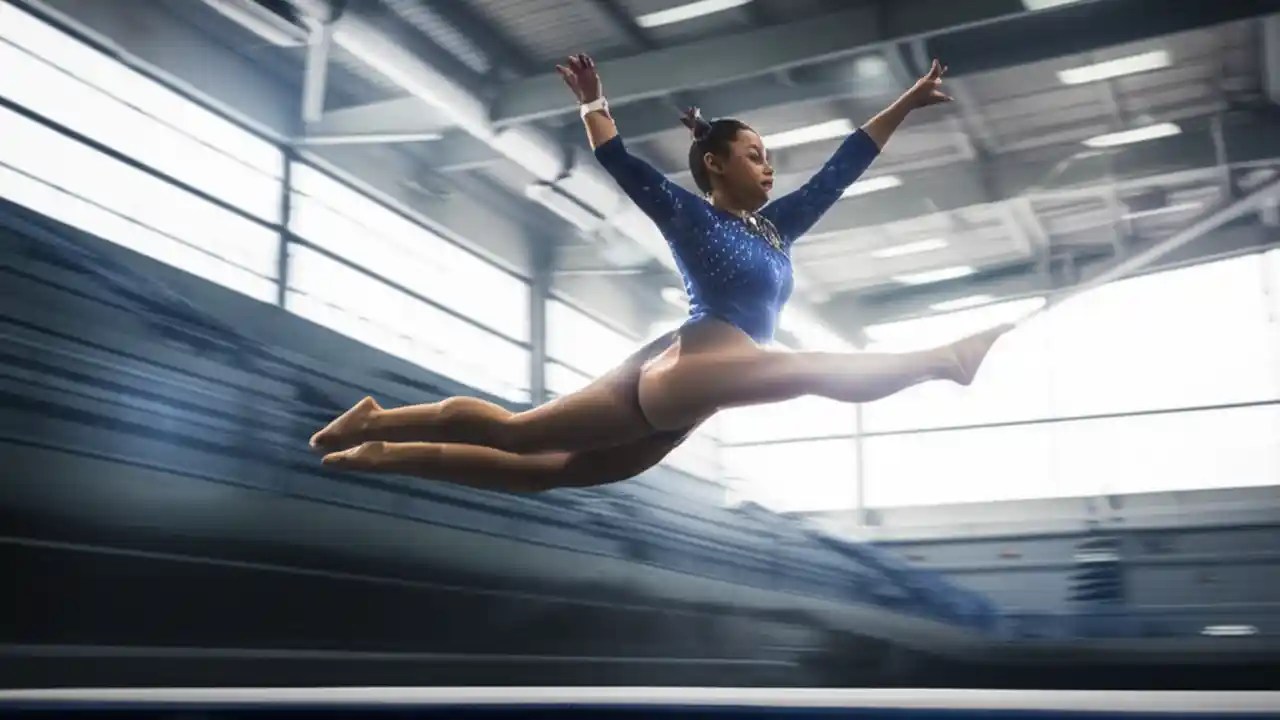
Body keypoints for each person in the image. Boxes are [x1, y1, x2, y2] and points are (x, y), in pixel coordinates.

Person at [311, 54, 1011, 492]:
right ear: (715, 164)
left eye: (769, 158)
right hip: (697, 366)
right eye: (755, 155)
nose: (769, 167)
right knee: (808, 372)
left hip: (685, 389)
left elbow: (842, 167)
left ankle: (381, 447)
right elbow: (618, 161)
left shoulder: (777, 228)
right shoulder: (690, 216)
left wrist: (906, 103)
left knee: (542, 468)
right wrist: (593, 102)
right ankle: (943, 360)